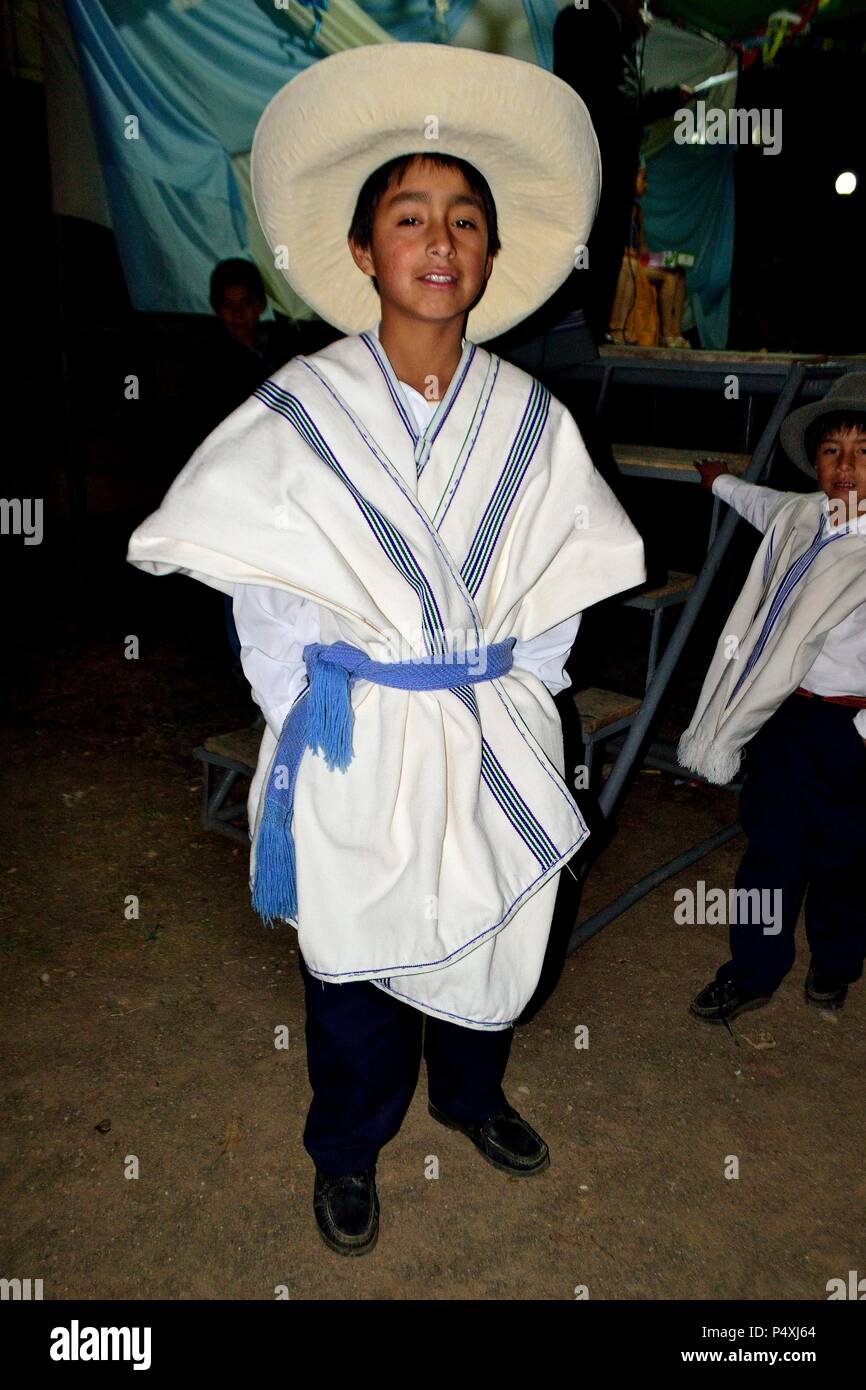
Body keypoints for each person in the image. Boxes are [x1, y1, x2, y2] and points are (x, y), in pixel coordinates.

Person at [126, 42, 645, 1257]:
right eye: (409, 216)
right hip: (354, 723)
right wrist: (316, 717)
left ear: (486, 253)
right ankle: (347, 1149)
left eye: (464, 219)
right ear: (363, 251)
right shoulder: (300, 410)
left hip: (485, 720)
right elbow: (263, 591)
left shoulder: (525, 417)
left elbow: (556, 587)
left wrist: (516, 699)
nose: (439, 239)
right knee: (355, 965)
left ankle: (468, 1095)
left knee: (485, 918)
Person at [677, 374, 866, 1025]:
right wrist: (720, 482)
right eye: (831, 451)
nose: (845, 467)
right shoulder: (800, 514)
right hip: (790, 720)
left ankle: (836, 962)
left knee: (845, 862)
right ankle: (751, 971)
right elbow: (762, 503)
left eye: (864, 451)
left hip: (853, 733)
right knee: (772, 850)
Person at [608, 161, 689, 348]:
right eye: (643, 178)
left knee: (678, 272)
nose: (645, 185)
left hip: (636, 258)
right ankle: (666, 334)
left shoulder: (638, 211)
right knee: (664, 276)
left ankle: (675, 332)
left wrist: (663, 258)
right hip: (626, 261)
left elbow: (641, 248)